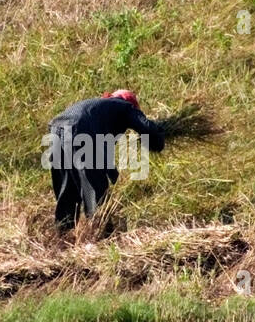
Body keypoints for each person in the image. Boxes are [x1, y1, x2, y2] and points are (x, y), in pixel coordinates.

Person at [46, 90, 165, 230]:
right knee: (95, 187)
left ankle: (63, 235)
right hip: (80, 129)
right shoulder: (125, 106)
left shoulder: (100, 108)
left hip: (56, 127)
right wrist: (160, 137)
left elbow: (102, 148)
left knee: (67, 187)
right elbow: (146, 126)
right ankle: (101, 235)